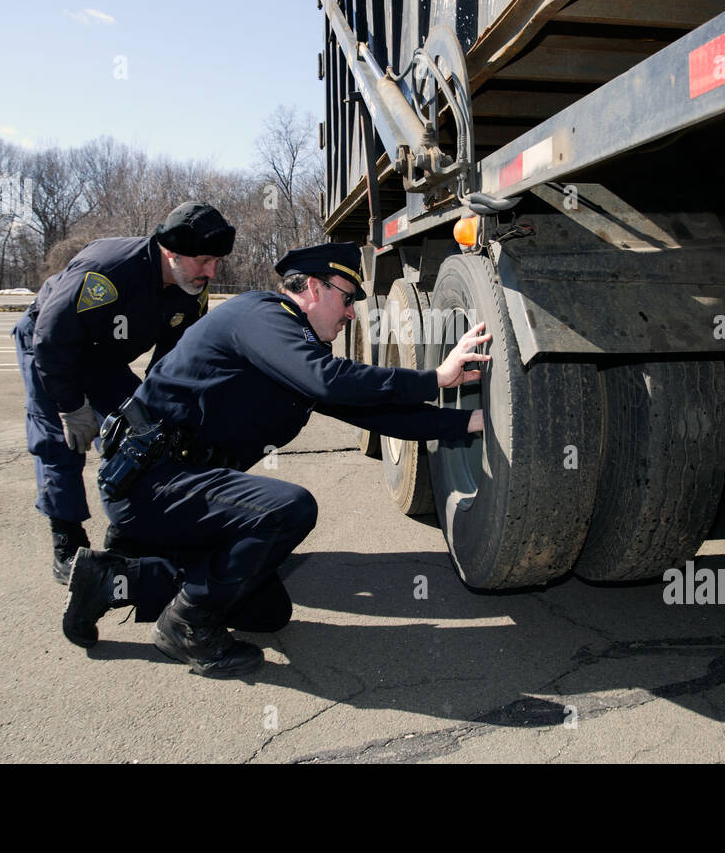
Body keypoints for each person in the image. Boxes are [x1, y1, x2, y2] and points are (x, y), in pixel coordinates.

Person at [61, 241, 489, 678]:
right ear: (316, 289)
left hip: (185, 484)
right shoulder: (263, 317)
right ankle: (185, 625)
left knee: (267, 613)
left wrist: (467, 422)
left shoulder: (292, 346)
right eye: (346, 299)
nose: (351, 314)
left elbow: (372, 411)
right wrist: (436, 377)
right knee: (288, 508)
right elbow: (328, 382)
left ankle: (112, 579)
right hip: (152, 482)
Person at [12, 201, 235, 583]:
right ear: (171, 251)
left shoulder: (192, 288)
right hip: (51, 348)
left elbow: (172, 364)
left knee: (145, 434)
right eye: (203, 260)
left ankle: (131, 533)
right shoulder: (108, 273)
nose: (211, 271)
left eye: (216, 261)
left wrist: (167, 416)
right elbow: (51, 337)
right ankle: (67, 540)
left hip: (105, 361)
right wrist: (70, 406)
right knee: (62, 441)